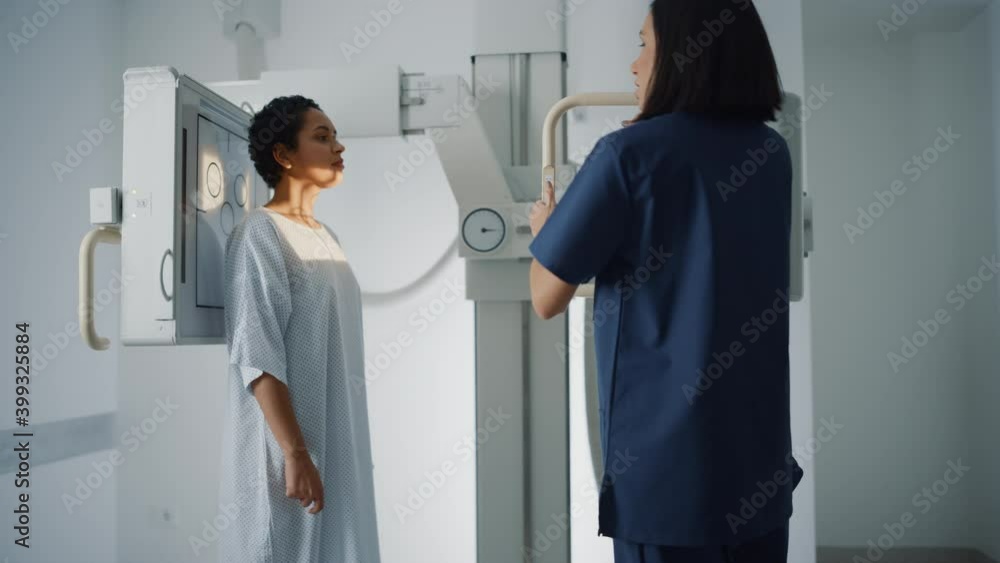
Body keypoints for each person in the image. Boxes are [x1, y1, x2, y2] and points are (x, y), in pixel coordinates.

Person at [527, 1, 804, 561]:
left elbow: (545, 297)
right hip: (757, 466)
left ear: (683, 57)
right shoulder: (771, 153)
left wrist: (550, 228)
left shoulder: (627, 154)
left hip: (668, 476)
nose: (634, 66)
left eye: (643, 45)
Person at [219, 95, 380, 563]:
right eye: (322, 137)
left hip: (337, 444)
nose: (338, 147)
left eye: (335, 136)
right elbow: (256, 354)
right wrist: (295, 453)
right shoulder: (259, 233)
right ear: (284, 154)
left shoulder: (327, 237)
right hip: (285, 457)